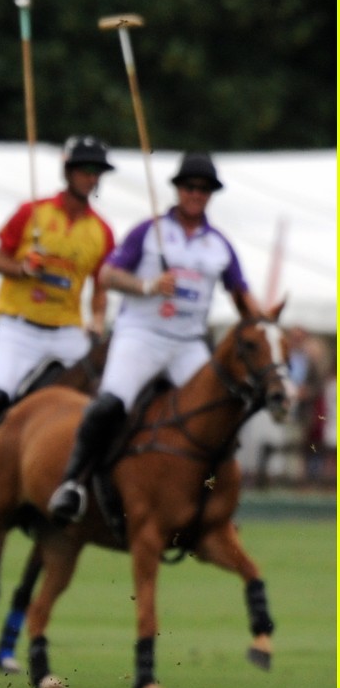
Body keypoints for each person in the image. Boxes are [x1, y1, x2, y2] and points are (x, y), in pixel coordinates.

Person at [48, 151, 265, 522]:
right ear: (178, 189)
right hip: (141, 336)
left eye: (204, 189)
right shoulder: (149, 232)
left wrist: (266, 328)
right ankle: (73, 483)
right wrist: (148, 285)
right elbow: (109, 276)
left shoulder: (219, 246)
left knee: (222, 409)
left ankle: (212, 500)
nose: (197, 194)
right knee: (110, 405)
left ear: (211, 194)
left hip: (188, 344)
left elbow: (242, 295)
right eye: (190, 187)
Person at [0, 136, 116, 519]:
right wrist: (23, 267)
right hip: (20, 328)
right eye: (85, 170)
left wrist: (96, 318)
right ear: (69, 172)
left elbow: (100, 287)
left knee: (102, 401)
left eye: (96, 173)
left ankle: (76, 483)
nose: (91, 178)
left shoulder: (102, 231)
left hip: (67, 332)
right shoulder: (33, 213)